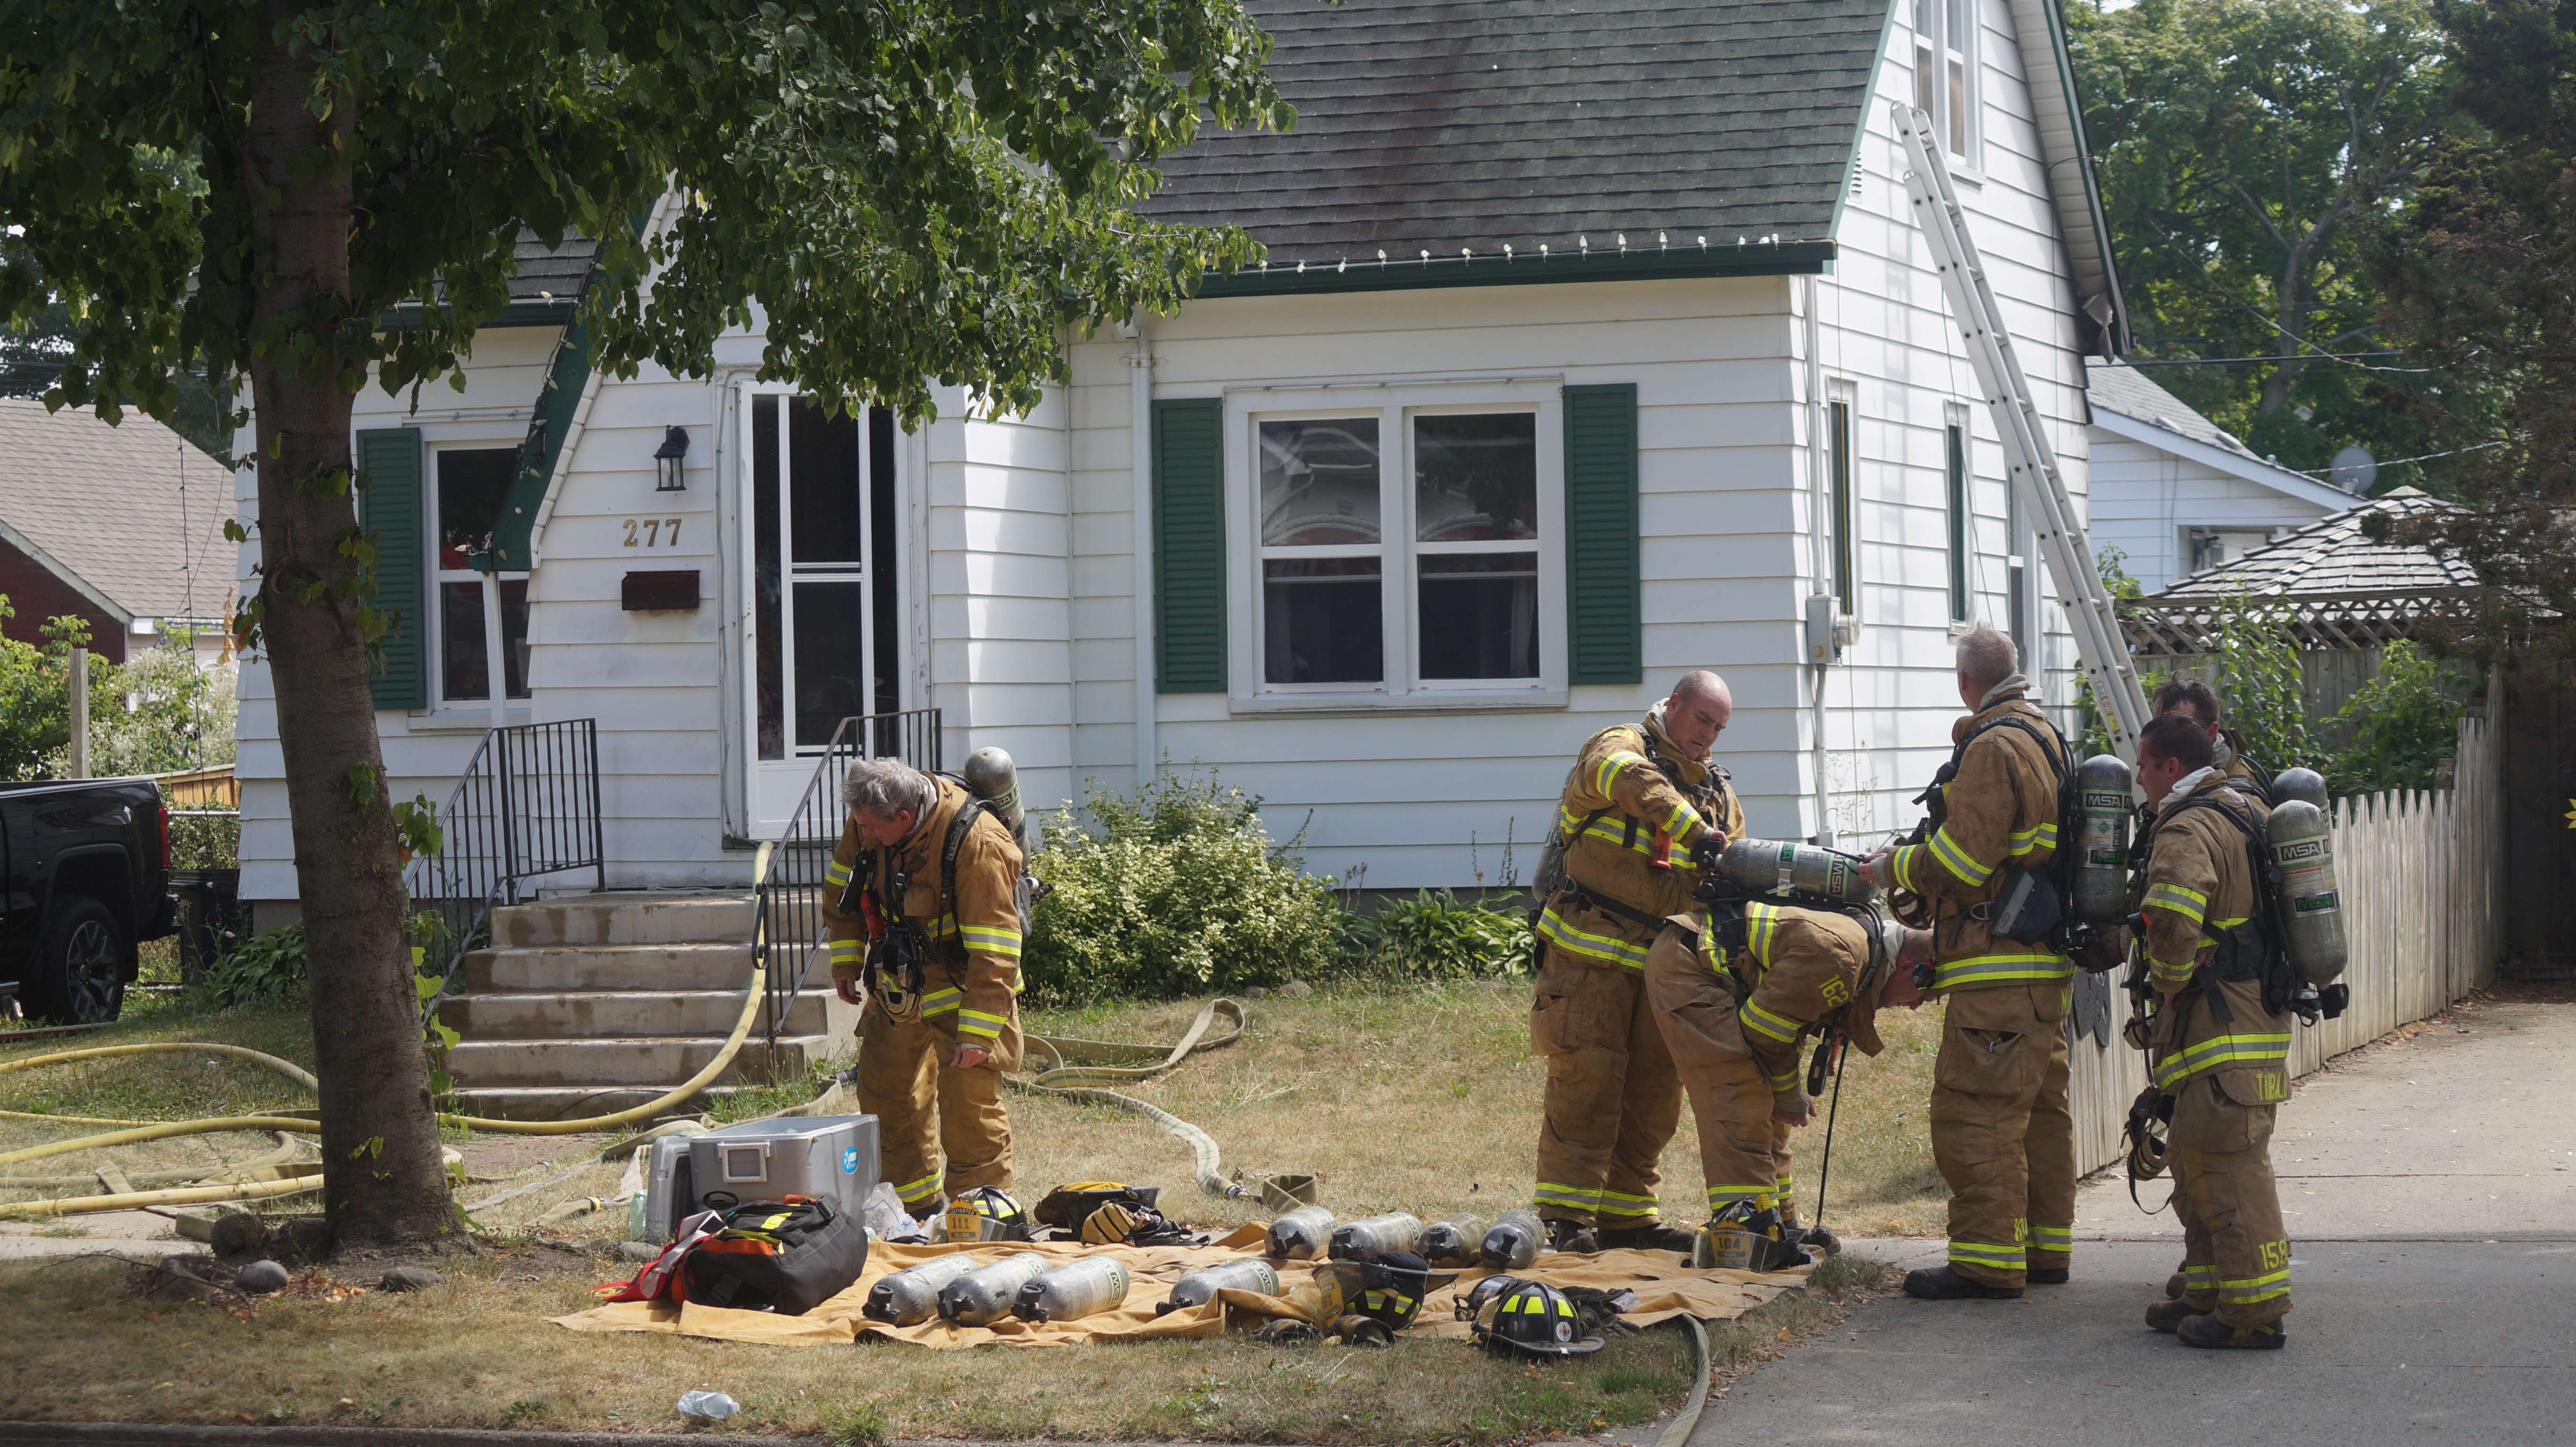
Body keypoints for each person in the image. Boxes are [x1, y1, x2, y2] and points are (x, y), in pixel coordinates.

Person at [1864, 624, 2076, 1300]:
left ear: (1966, 683)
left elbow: (1963, 861)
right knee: (2040, 1116)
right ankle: (2044, 1251)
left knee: (1976, 1112)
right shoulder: (2049, 739)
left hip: (1996, 973)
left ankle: (1986, 1261)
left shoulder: (1993, 747)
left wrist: (1892, 865)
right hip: (2044, 973)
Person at [1528, 671, 1745, 1253]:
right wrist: (1692, 831)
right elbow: (1627, 781)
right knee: (1586, 1084)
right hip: (1585, 958)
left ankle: (1628, 1217)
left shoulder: (1716, 792)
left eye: (1719, 728)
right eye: (1702, 719)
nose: (1708, 737)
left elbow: (1731, 868)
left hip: (1662, 968)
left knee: (1653, 1092)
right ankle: (1565, 1219)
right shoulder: (1616, 746)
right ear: (1672, 704)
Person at [2129, 713, 2295, 1349]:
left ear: (2171, 766)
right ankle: (2209, 1288)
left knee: (2228, 1164)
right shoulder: (2238, 805)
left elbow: (2172, 911)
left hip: (2221, 1022)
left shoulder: (2188, 824)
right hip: (2238, 1015)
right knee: (2196, 1155)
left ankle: (2253, 1314)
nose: (2139, 776)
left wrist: (2167, 981)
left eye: (2144, 764)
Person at [1644, 898, 1929, 1255]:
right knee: (1739, 1095)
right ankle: (1747, 1234)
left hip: (1724, 977)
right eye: (1925, 990)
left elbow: (1783, 1024)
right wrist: (1788, 1091)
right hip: (1691, 968)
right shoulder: (1840, 957)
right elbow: (1765, 1030)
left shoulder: (1858, 960)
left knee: (1771, 1108)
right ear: (1906, 966)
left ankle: (1780, 1223)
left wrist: (1785, 1091)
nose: (1917, 1005)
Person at [821, 757, 1026, 1216]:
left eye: (873, 826)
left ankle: (981, 1219)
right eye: (859, 823)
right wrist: (847, 959)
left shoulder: (978, 841)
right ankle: (913, 1214)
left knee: (969, 1108)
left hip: (965, 989)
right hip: (899, 983)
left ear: (905, 818)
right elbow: (843, 890)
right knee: (883, 1094)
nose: (864, 833)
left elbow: (995, 950)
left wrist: (977, 1035)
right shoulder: (869, 821)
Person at [2152, 677, 2271, 805]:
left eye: (2176, 730)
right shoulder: (2170, 773)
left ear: (2210, 732)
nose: (2162, 741)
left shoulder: (2238, 795)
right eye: (2156, 729)